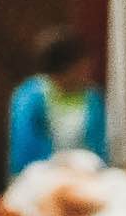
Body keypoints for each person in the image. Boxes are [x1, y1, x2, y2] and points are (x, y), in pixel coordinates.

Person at [6, 28, 108, 175]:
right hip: (40, 176)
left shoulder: (93, 98)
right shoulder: (30, 98)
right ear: (66, 67)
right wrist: (62, 165)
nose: (88, 69)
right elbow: (24, 152)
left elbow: (100, 148)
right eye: (82, 64)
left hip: (87, 174)